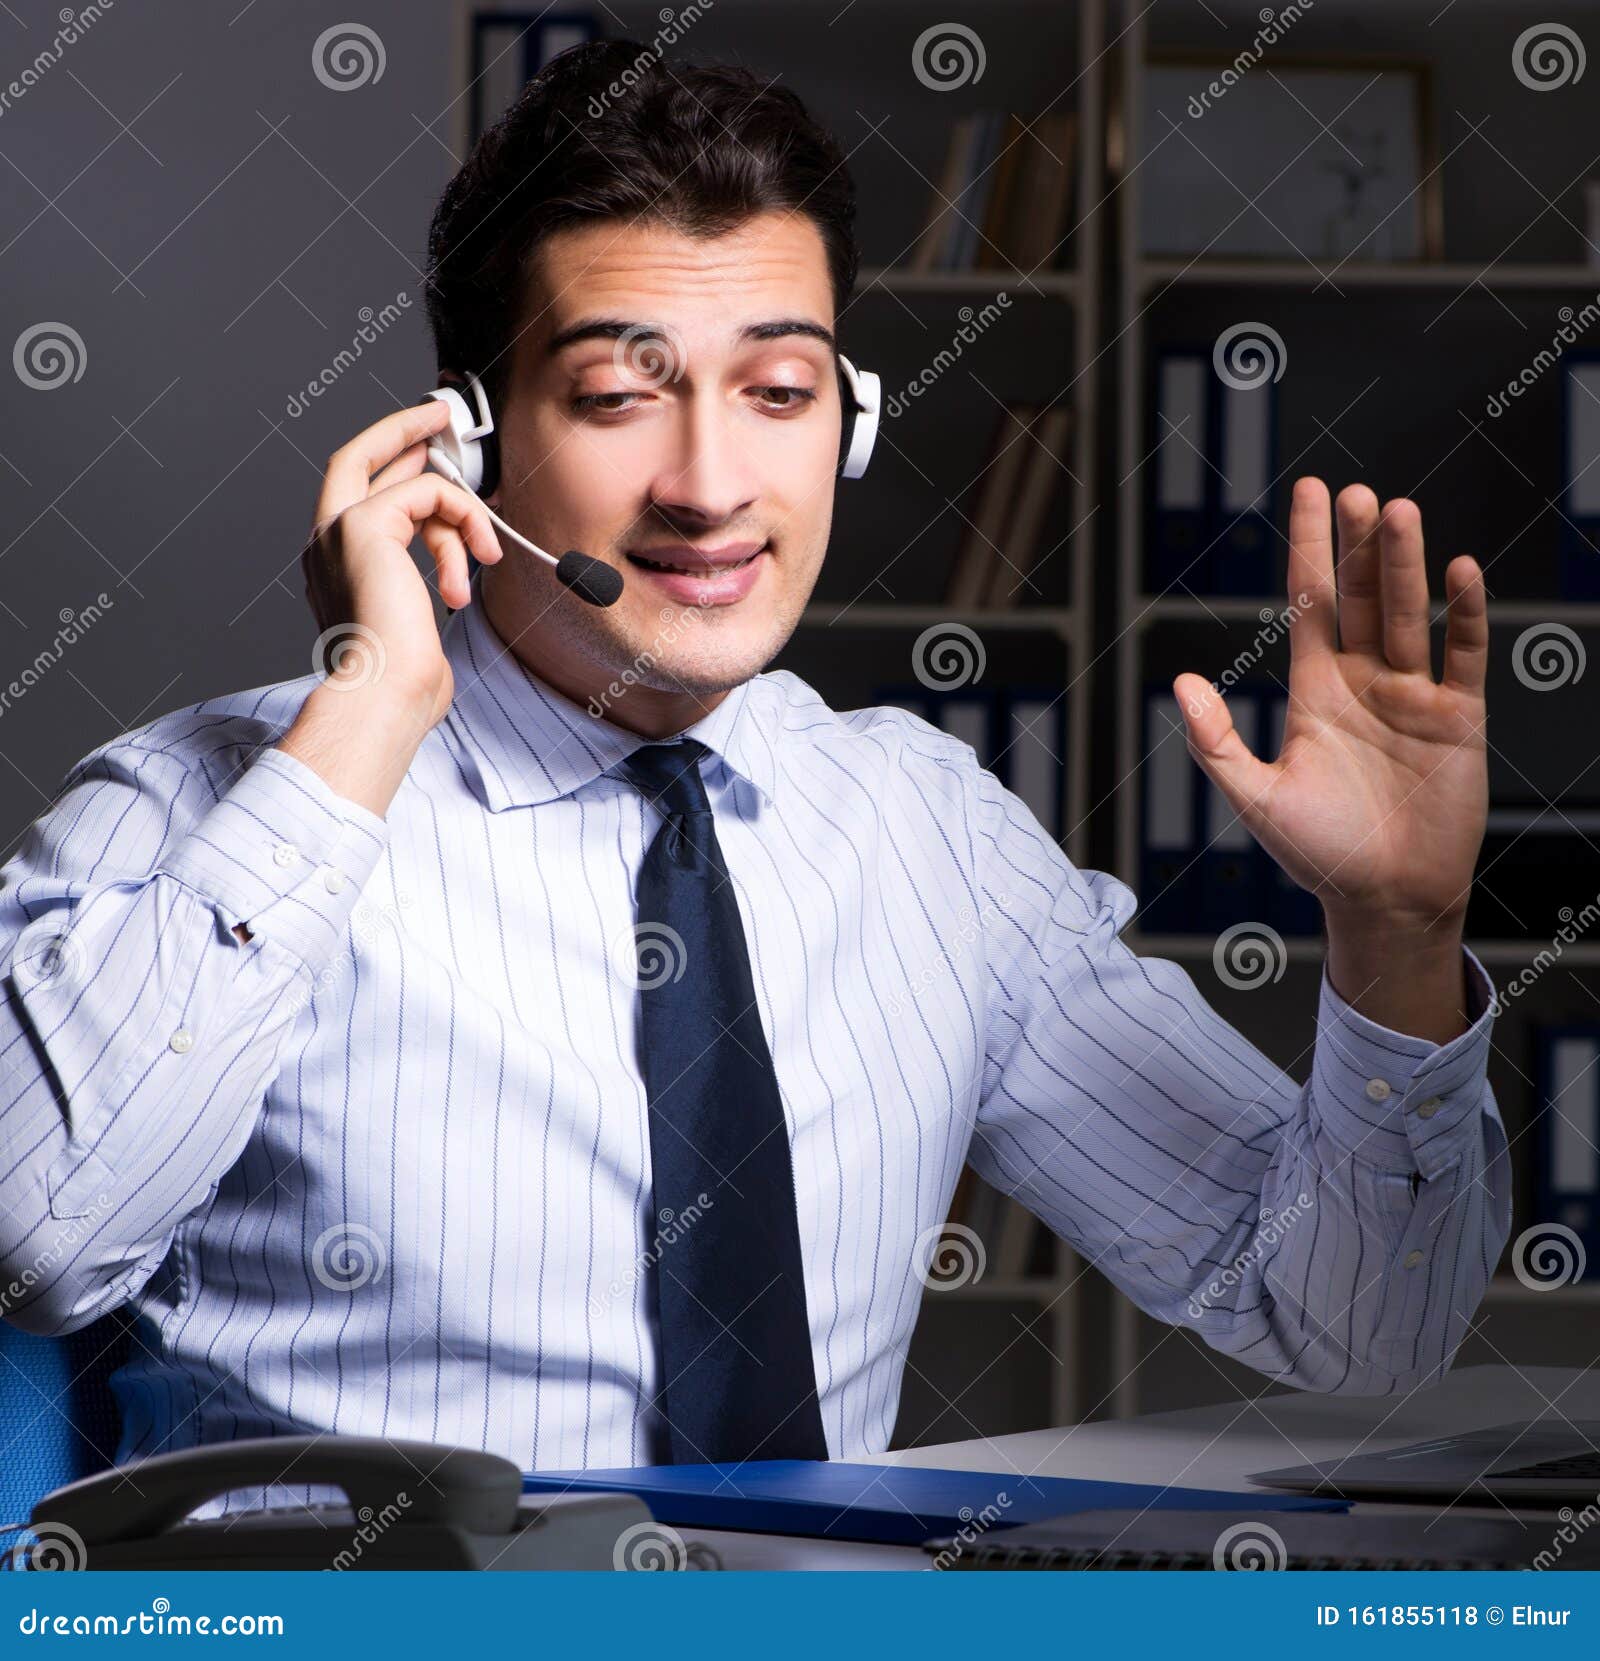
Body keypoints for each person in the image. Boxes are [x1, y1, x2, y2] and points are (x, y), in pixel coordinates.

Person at [0, 42, 1508, 1519]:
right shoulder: (204, 807)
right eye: (616, 395)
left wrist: (1398, 936)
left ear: (844, 419)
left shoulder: (926, 833)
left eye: (779, 389)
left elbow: (1351, 1329)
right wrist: (372, 705)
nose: (711, 486)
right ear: (461, 440)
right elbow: (40, 1241)